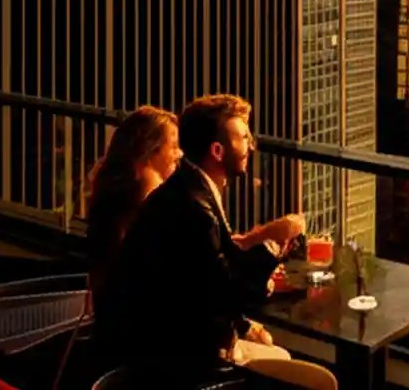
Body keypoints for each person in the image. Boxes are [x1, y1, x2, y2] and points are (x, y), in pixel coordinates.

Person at [94, 94, 305, 373]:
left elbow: (214, 268)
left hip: (154, 345)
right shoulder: (194, 207)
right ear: (217, 151)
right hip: (175, 361)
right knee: (290, 369)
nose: (251, 144)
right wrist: (274, 246)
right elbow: (228, 293)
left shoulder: (188, 190)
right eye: (243, 137)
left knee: (276, 353)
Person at [85, 106, 182, 305]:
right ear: (150, 149)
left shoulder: (112, 201)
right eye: (173, 146)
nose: (179, 153)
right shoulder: (153, 210)